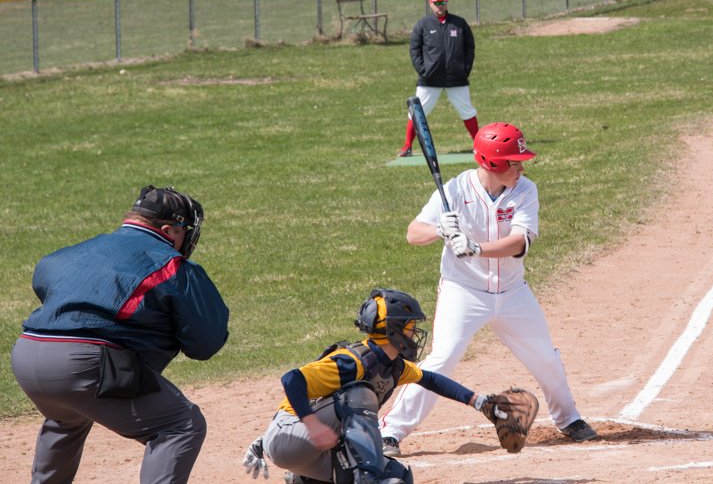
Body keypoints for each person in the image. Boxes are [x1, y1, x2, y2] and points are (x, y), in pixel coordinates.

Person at [379, 122, 597, 456]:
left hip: (512, 293)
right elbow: (413, 233)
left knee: (546, 359)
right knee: (442, 359)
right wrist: (438, 228)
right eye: (515, 160)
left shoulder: (525, 190)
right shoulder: (454, 190)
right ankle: (391, 431)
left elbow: (519, 242)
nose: (521, 166)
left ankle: (569, 420)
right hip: (463, 290)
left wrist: (477, 247)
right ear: (493, 163)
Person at [10, 185, 229, 484]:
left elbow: (45, 276)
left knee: (67, 418)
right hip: (83, 365)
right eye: (184, 230)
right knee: (180, 424)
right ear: (169, 230)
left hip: (26, 354)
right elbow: (205, 343)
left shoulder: (74, 251)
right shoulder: (171, 265)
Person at [244, 288, 508, 484]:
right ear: (393, 329)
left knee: (398, 477)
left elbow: (430, 379)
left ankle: (303, 480)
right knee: (359, 395)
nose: (413, 334)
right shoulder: (351, 362)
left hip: (314, 453)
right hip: (290, 437)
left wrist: (480, 401)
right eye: (409, 327)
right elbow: (292, 380)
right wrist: (310, 425)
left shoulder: (392, 366)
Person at [397, 0, 478, 157]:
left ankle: (478, 144)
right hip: (430, 79)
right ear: (430, 4)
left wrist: (465, 69)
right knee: (417, 112)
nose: (440, 6)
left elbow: (469, 47)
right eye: (437, 3)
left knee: (467, 111)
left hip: (456, 78)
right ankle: (407, 146)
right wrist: (423, 70)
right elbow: (414, 49)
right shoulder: (423, 25)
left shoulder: (459, 23)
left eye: (443, 2)